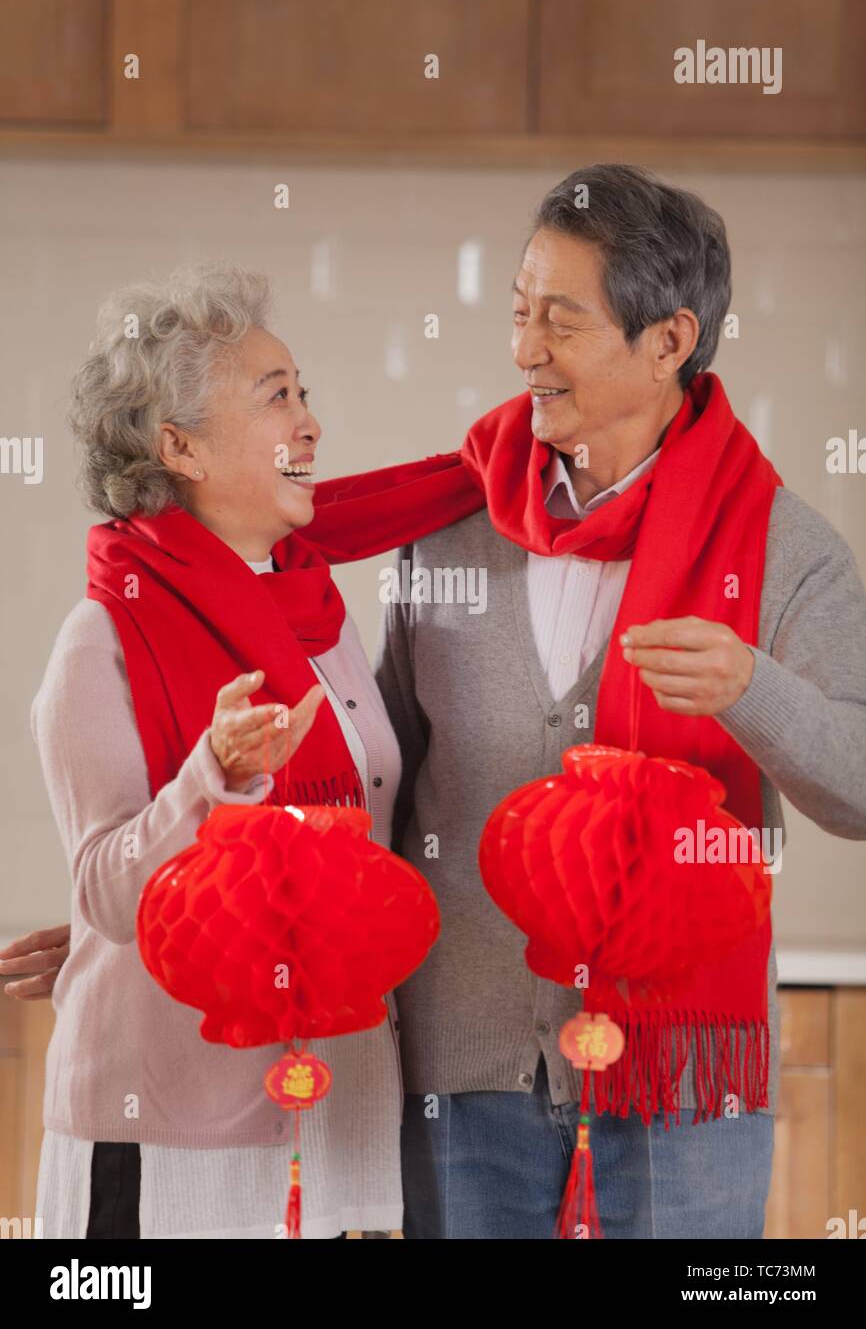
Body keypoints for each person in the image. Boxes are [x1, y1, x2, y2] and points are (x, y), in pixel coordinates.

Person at [10, 166, 866, 1240]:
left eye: (558, 320)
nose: (522, 351)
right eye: (518, 313)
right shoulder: (457, 531)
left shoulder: (781, 550)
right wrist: (150, 913)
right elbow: (380, 791)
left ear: (667, 340)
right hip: (458, 1075)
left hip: (680, 1082)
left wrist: (754, 692)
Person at [13, 264, 410, 1239]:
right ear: (178, 445)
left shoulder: (324, 622)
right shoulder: (103, 636)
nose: (310, 424)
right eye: (276, 398)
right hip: (165, 1131)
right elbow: (112, 888)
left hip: (327, 1112)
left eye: (303, 393)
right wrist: (213, 777)